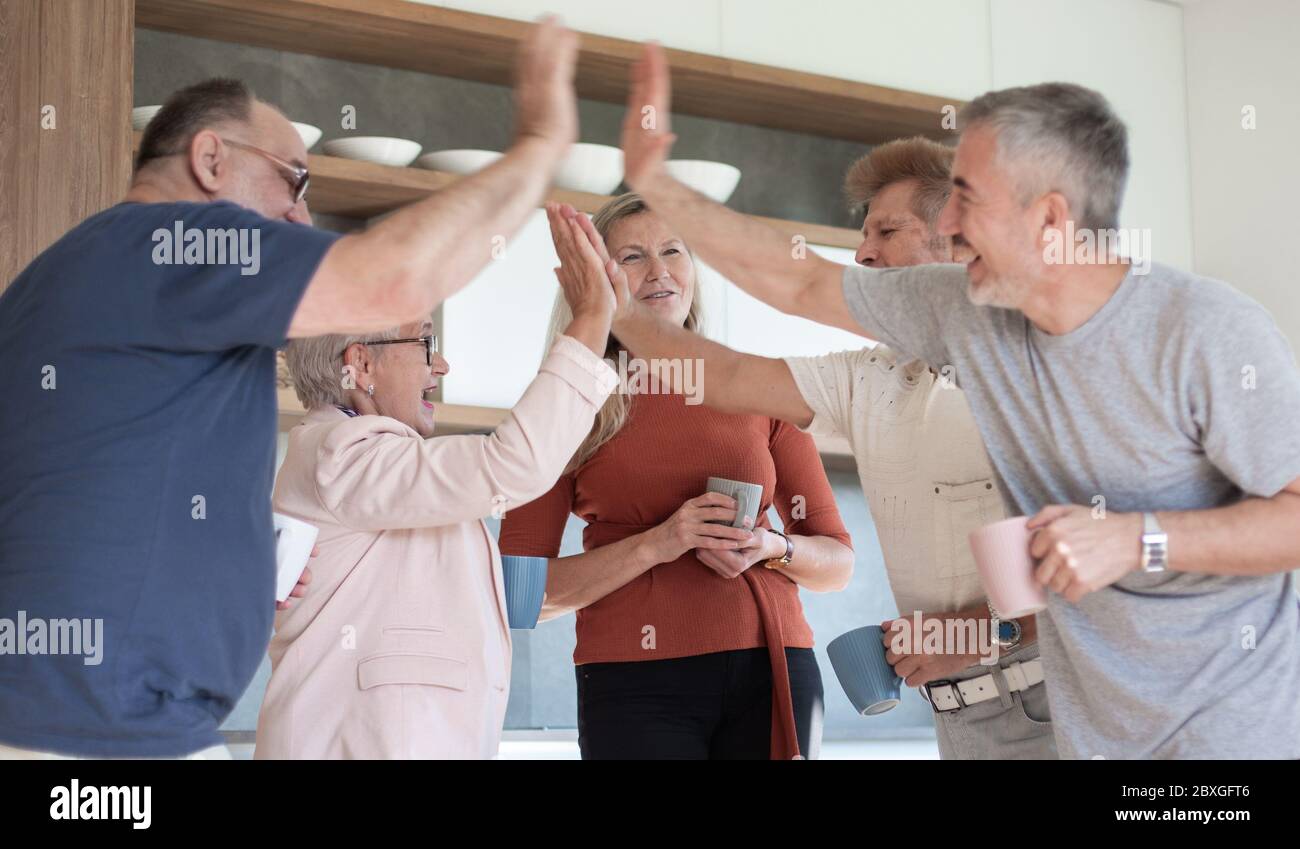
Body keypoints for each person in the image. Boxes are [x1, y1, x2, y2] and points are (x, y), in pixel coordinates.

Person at [607, 44, 1300, 759]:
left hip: (1225, 737)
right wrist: (655, 189)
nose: (952, 222)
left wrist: (1136, 539)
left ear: (1050, 218)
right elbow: (802, 283)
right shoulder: (964, 313)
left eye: (969, 196)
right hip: (1094, 733)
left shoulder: (1206, 330)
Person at [0, 18, 582, 758]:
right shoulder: (172, 241)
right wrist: (536, 148)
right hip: (103, 735)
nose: (302, 217)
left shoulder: (58, 283)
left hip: (87, 724)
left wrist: (240, 558)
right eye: (294, 179)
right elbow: (393, 279)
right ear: (210, 158)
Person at [553, 135, 1057, 759]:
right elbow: (733, 375)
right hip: (962, 717)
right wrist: (605, 304)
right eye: (861, 236)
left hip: (1060, 701)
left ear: (957, 238)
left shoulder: (1040, 368)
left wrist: (985, 632)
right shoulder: (869, 378)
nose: (862, 255)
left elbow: (1118, 557)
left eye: (886, 233)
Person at [497, 194, 854, 760]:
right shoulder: (568, 403)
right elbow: (521, 594)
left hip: (775, 664)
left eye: (673, 250)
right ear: (599, 280)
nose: (660, 271)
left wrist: (770, 547)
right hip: (635, 683)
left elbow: (837, 562)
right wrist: (662, 542)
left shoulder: (756, 387)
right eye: (633, 257)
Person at [255, 209, 618, 758]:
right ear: (362, 365)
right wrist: (590, 318)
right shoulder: (343, 453)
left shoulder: (363, 457)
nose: (441, 365)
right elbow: (511, 465)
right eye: (424, 343)